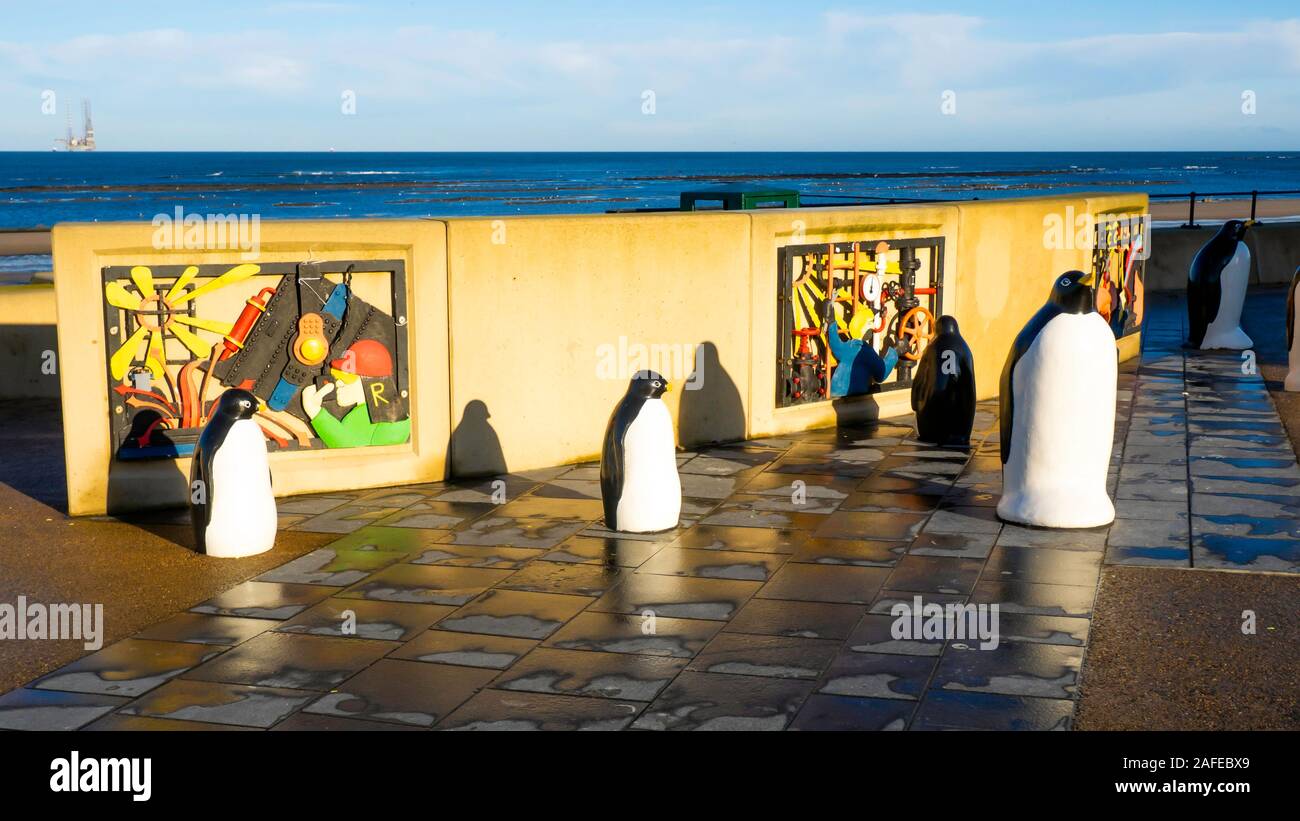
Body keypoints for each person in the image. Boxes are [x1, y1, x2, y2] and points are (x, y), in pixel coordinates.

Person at [301, 339, 410, 448]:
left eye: (346, 377)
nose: (338, 383)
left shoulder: (395, 420)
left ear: (372, 381)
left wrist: (315, 412)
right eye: (337, 375)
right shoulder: (359, 413)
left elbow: (355, 452)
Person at [824, 300, 906, 398]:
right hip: (857, 395)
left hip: (836, 393)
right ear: (862, 327)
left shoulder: (847, 347)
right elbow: (881, 373)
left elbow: (835, 344)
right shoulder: (866, 353)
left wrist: (831, 321)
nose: (872, 326)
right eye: (870, 323)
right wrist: (896, 352)